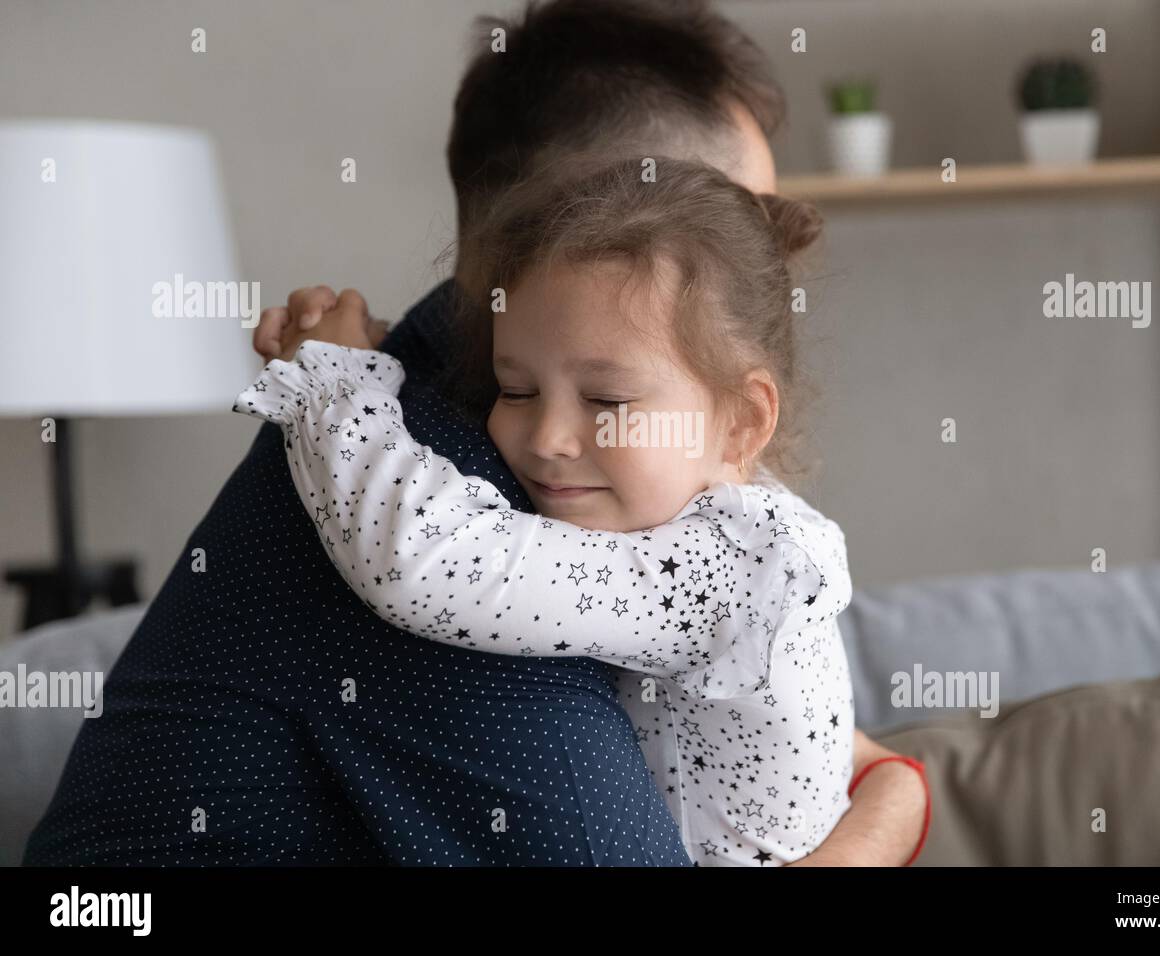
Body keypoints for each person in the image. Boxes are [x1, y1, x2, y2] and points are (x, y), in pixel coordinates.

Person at [26, 0, 925, 866]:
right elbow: (420, 561)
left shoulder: (662, 512)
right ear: (604, 218)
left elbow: (819, 741)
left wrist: (895, 794)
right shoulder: (427, 484)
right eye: (733, 221)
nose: (765, 272)